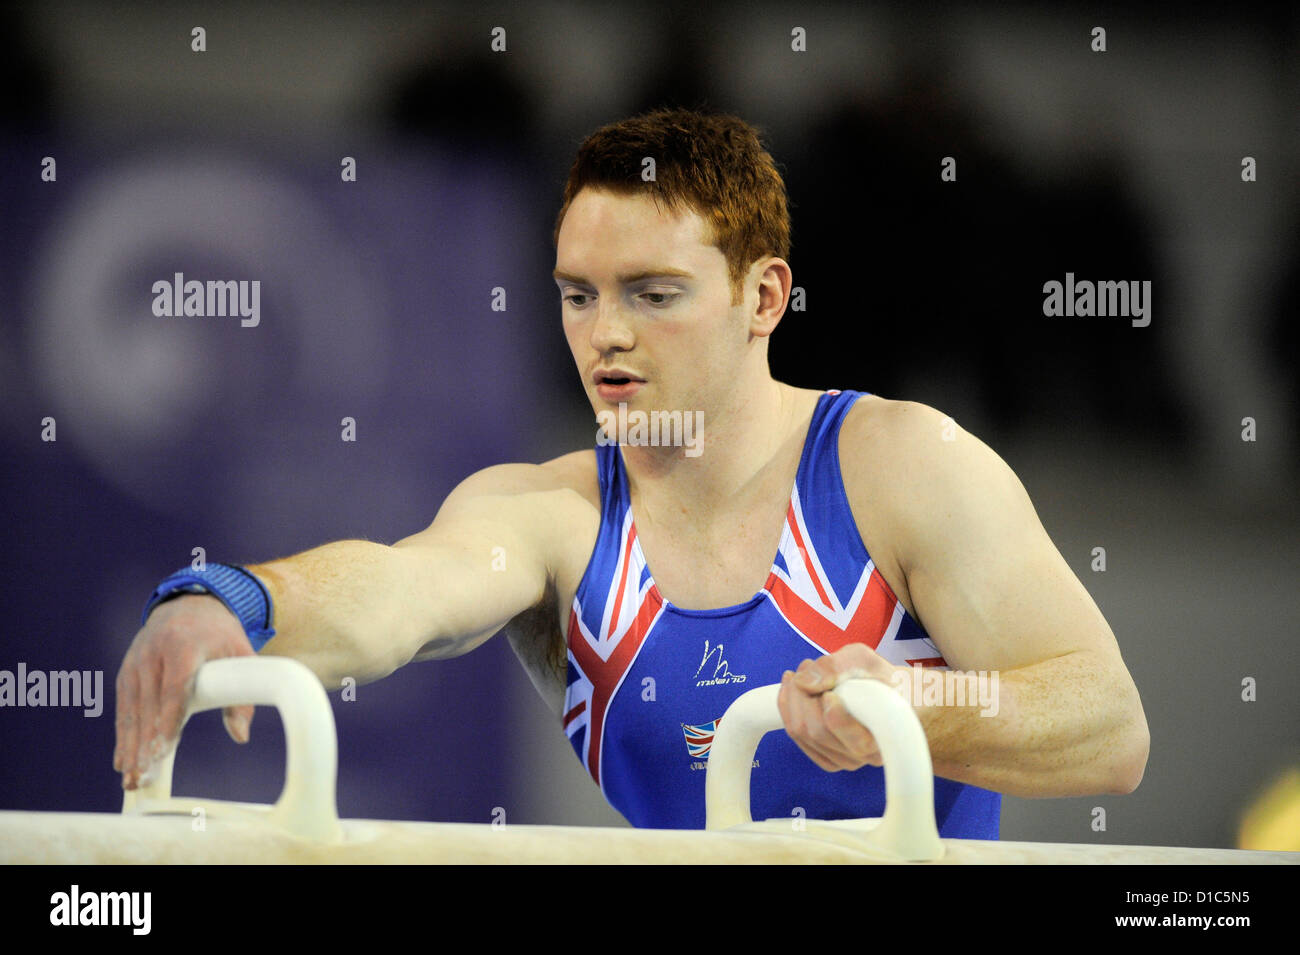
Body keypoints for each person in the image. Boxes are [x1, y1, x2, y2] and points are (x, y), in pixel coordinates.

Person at [114, 108, 1149, 836]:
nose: (605, 335)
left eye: (653, 294)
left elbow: (1106, 722)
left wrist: (919, 710)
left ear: (763, 296)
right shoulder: (551, 513)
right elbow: (395, 592)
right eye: (576, 295)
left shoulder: (898, 463)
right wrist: (236, 599)